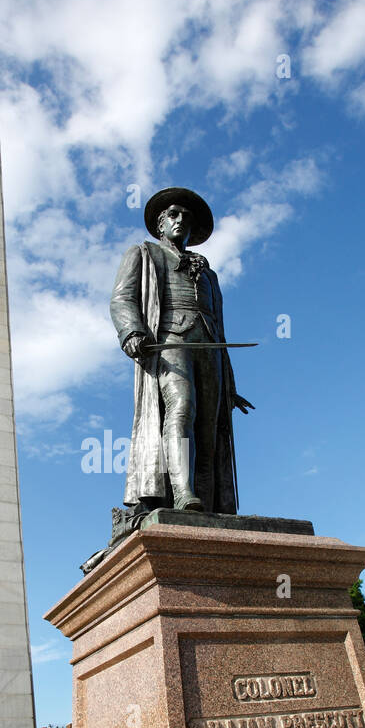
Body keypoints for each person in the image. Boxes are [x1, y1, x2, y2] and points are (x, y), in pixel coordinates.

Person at [110, 186, 253, 514]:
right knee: (182, 407)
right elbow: (121, 298)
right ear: (160, 224)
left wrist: (229, 385)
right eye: (173, 215)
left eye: (186, 218)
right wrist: (132, 331)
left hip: (208, 347)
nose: (180, 221)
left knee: (209, 426)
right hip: (169, 339)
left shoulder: (208, 273)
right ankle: (183, 490)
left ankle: (206, 502)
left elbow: (221, 328)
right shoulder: (144, 253)